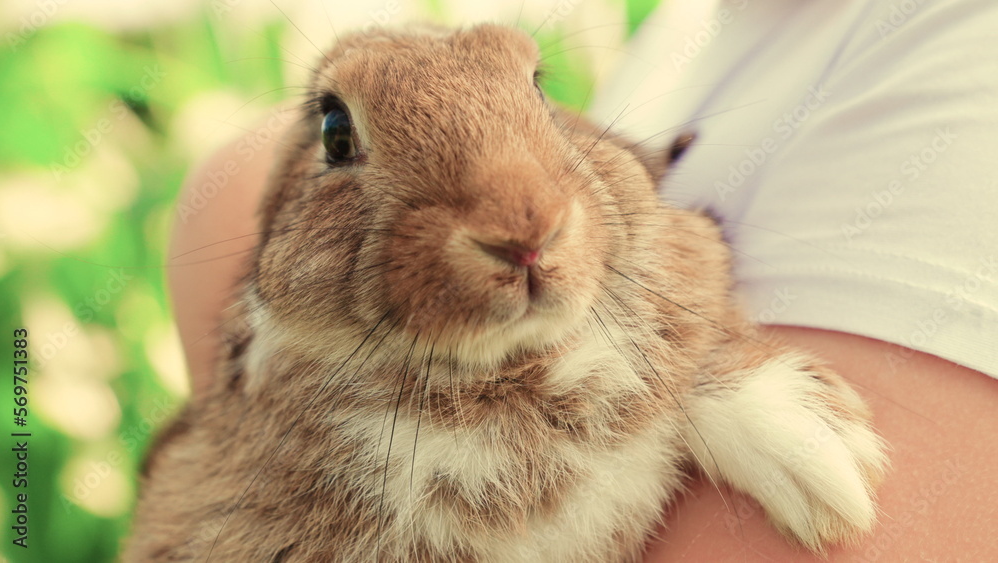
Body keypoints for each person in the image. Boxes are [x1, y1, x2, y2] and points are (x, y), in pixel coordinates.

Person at [168, 1, 998, 559]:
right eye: (341, 137)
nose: (523, 220)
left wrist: (705, 375)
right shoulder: (680, 34)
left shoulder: (958, 44)